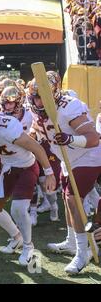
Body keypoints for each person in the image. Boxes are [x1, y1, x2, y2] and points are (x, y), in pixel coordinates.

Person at [0, 94, 56, 267]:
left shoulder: (7, 126)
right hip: (7, 168)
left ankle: (29, 247)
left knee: (19, 209)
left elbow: (35, 147)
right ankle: (17, 237)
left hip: (26, 168)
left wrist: (49, 173)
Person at [29, 71, 101, 274]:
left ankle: (83, 251)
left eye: (43, 96)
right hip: (66, 159)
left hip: (88, 155)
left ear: (55, 94)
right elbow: (37, 130)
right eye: (35, 96)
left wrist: (71, 139)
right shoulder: (35, 109)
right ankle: (71, 241)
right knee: (65, 197)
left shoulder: (70, 106)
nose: (38, 100)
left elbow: (93, 138)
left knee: (72, 199)